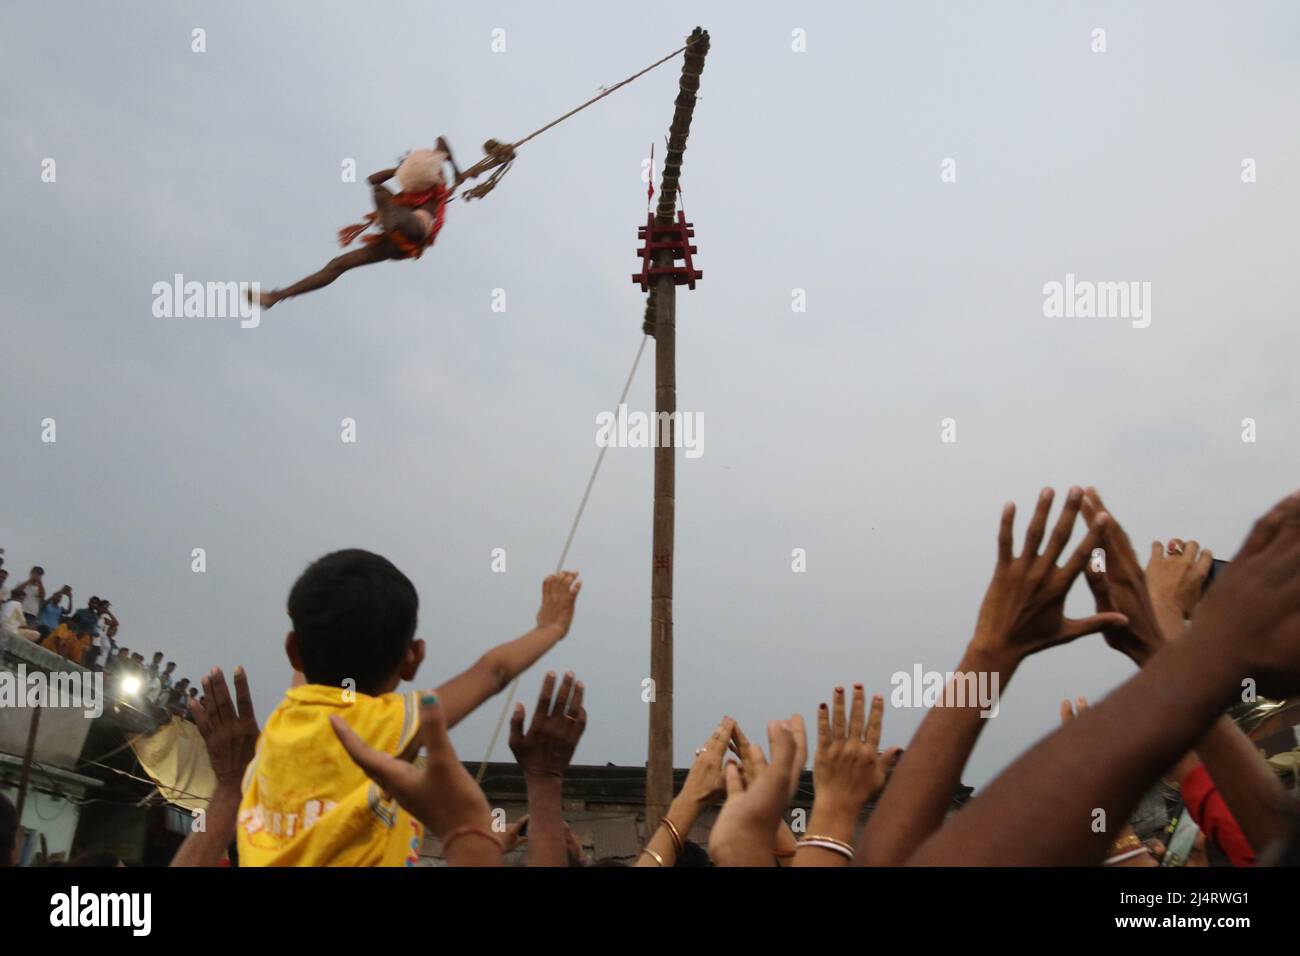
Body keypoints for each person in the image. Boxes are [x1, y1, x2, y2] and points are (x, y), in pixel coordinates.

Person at [236, 549, 580, 866]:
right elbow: (493, 672)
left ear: (293, 649)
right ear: (412, 658)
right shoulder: (392, 723)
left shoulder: (284, 719)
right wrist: (550, 628)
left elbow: (306, 664)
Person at [253, 141, 462, 310]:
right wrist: (402, 169)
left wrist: (451, 165)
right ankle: (277, 296)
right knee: (338, 264)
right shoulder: (409, 192)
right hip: (393, 242)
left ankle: (391, 222)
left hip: (416, 227)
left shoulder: (437, 189)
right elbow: (373, 179)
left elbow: (441, 143)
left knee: (385, 199)